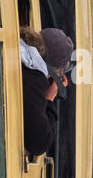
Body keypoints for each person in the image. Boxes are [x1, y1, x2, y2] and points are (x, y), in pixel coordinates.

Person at [21, 27, 73, 157]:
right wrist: (49, 98)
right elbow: (39, 143)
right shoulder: (34, 77)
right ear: (53, 67)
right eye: (60, 71)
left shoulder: (22, 55)